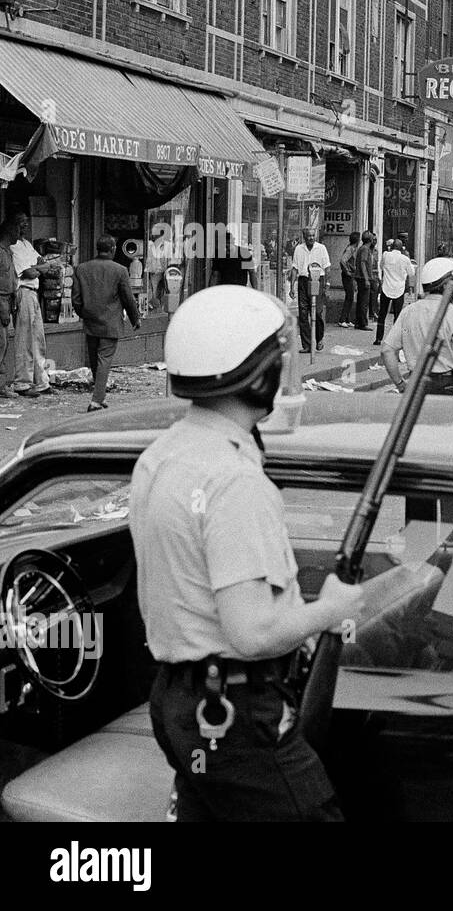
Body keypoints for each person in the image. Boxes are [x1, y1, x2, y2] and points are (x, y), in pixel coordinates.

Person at [132, 285, 364, 821]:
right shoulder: (234, 479)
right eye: (281, 360)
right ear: (256, 374)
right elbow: (251, 631)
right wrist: (332, 608)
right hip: (235, 715)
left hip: (178, 702)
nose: (288, 374)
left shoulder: (163, 455)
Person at [381, 258, 453, 398]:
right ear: (445, 286)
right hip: (448, 386)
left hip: (416, 385)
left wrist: (401, 384)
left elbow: (387, 350)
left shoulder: (409, 311)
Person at [72, 236, 141, 412]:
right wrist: (135, 318)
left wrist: (85, 314)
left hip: (91, 322)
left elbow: (76, 300)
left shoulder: (81, 268)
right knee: (104, 361)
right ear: (113, 249)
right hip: (110, 322)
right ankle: (96, 400)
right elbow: (128, 298)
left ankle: (99, 395)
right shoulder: (120, 270)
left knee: (95, 360)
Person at [6, 213, 52, 398]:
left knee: (38, 338)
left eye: (26, 223)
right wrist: (38, 268)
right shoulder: (12, 246)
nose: (25, 226)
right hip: (23, 291)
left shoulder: (27, 244)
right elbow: (29, 273)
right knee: (24, 338)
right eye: (21, 223)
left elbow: (43, 265)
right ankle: (22, 382)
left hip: (33, 293)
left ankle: (41, 382)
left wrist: (37, 268)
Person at [289, 228, 329, 353]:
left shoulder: (321, 248)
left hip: (318, 280)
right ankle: (306, 344)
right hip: (303, 281)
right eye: (308, 236)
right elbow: (295, 268)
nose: (311, 238)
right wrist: (292, 287)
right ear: (304, 237)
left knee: (317, 312)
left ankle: (319, 338)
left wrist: (327, 285)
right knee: (303, 313)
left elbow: (327, 268)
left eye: (313, 235)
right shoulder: (298, 249)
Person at [374, 238, 413, 346]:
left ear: (392, 247)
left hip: (386, 287)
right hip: (399, 289)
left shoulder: (386, 255)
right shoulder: (405, 259)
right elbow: (411, 273)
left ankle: (378, 338)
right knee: (397, 316)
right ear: (401, 248)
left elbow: (381, 266)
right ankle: (394, 341)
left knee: (382, 314)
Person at [0, 216, 21, 400]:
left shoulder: (8, 252)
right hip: (1, 302)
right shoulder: (0, 253)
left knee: (4, 344)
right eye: (17, 230)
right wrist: (3, 308)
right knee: (1, 344)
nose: (19, 234)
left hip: (8, 301)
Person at [338, 231, 360, 328]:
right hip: (347, 276)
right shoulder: (350, 249)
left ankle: (347, 319)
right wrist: (347, 271)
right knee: (349, 297)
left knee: (350, 297)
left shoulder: (353, 249)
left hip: (350, 275)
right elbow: (343, 260)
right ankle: (342, 319)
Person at [353, 231, 375, 331]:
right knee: (364, 302)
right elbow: (362, 263)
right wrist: (366, 279)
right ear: (370, 240)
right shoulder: (365, 249)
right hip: (363, 278)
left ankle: (358, 322)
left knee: (361, 301)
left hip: (360, 277)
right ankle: (362, 323)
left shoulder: (362, 248)